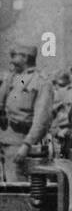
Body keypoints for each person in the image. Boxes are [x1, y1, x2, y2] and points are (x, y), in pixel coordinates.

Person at [0, 43, 53, 182]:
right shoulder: (15, 78)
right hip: (5, 142)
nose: (11, 60)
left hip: (21, 146)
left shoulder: (41, 82)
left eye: (14, 55)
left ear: (25, 57)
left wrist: (27, 145)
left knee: (18, 193)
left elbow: (41, 120)